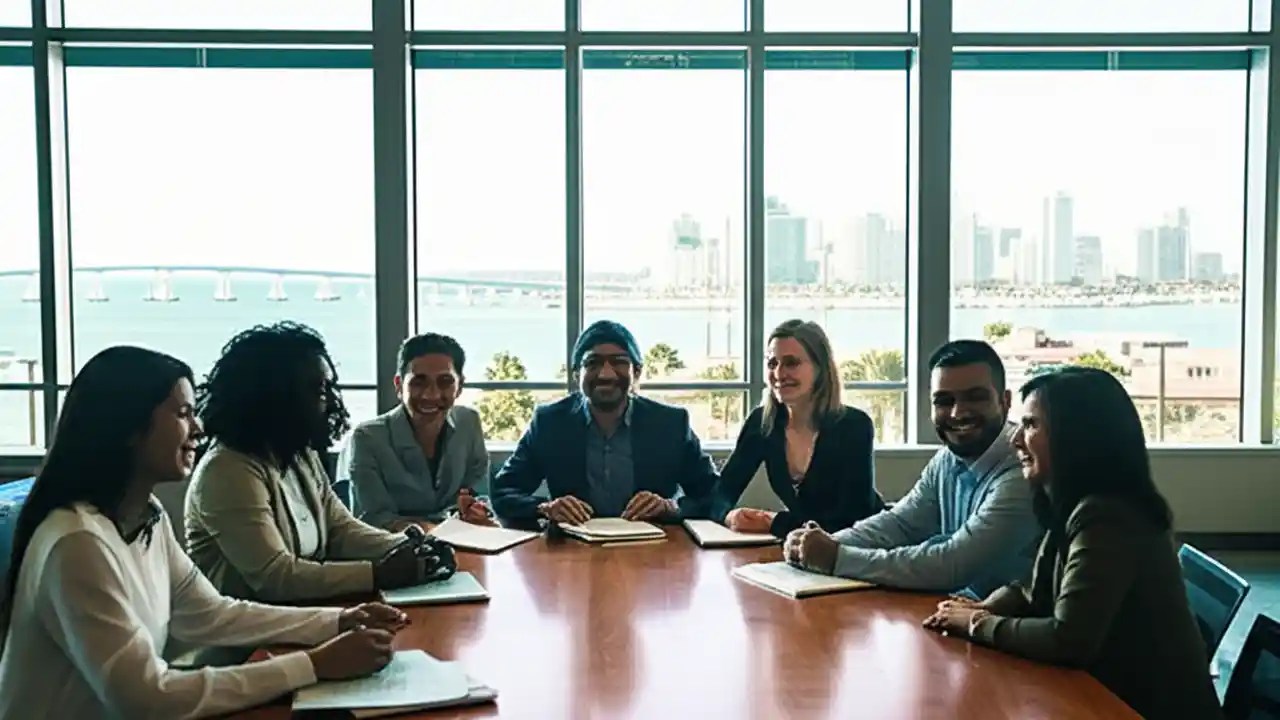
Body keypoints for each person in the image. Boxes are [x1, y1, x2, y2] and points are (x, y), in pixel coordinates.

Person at [0, 346, 410, 719]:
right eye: (182, 414)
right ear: (127, 427)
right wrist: (315, 665)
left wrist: (338, 620)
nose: (197, 428)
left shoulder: (146, 515)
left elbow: (212, 613)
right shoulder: (78, 543)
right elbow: (147, 699)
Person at [923, 367, 1222, 720]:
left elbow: (1068, 640)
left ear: (1077, 437)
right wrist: (984, 608)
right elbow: (1033, 591)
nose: (1015, 439)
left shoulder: (1109, 515)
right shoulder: (1072, 502)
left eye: (1032, 425)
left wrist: (975, 626)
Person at [185, 322, 429, 604]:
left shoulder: (298, 453)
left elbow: (340, 530)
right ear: (272, 395)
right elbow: (276, 578)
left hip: (302, 618)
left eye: (326, 387)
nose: (326, 401)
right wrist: (377, 574)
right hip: (247, 643)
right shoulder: (227, 471)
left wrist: (413, 545)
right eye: (316, 389)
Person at [785, 339, 1039, 598]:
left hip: (1005, 629)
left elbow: (952, 565)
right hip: (959, 613)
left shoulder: (1023, 468)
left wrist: (836, 557)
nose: (957, 413)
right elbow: (901, 524)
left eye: (975, 398)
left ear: (1006, 401)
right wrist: (821, 543)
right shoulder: (946, 460)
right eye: (944, 401)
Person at [491, 320, 717, 526]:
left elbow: (715, 495)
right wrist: (545, 508)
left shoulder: (670, 424)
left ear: (636, 373)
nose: (606, 374)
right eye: (593, 363)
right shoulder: (550, 423)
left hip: (654, 553)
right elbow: (504, 491)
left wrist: (671, 507)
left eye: (619, 362)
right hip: (572, 552)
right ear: (575, 375)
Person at [711, 319, 880, 538]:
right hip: (803, 548)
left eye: (791, 363)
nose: (779, 374)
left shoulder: (854, 425)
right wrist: (728, 515)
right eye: (772, 363)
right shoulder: (762, 423)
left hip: (862, 547)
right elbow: (721, 493)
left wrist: (774, 522)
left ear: (820, 368)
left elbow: (851, 519)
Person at [339, 333, 492, 530]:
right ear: (398, 385)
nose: (431, 394)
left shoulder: (469, 422)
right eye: (419, 382)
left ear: (460, 386)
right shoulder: (367, 438)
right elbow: (371, 519)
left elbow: (479, 494)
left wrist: (476, 510)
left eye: (445, 382)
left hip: (461, 543)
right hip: (395, 550)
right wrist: (429, 529)